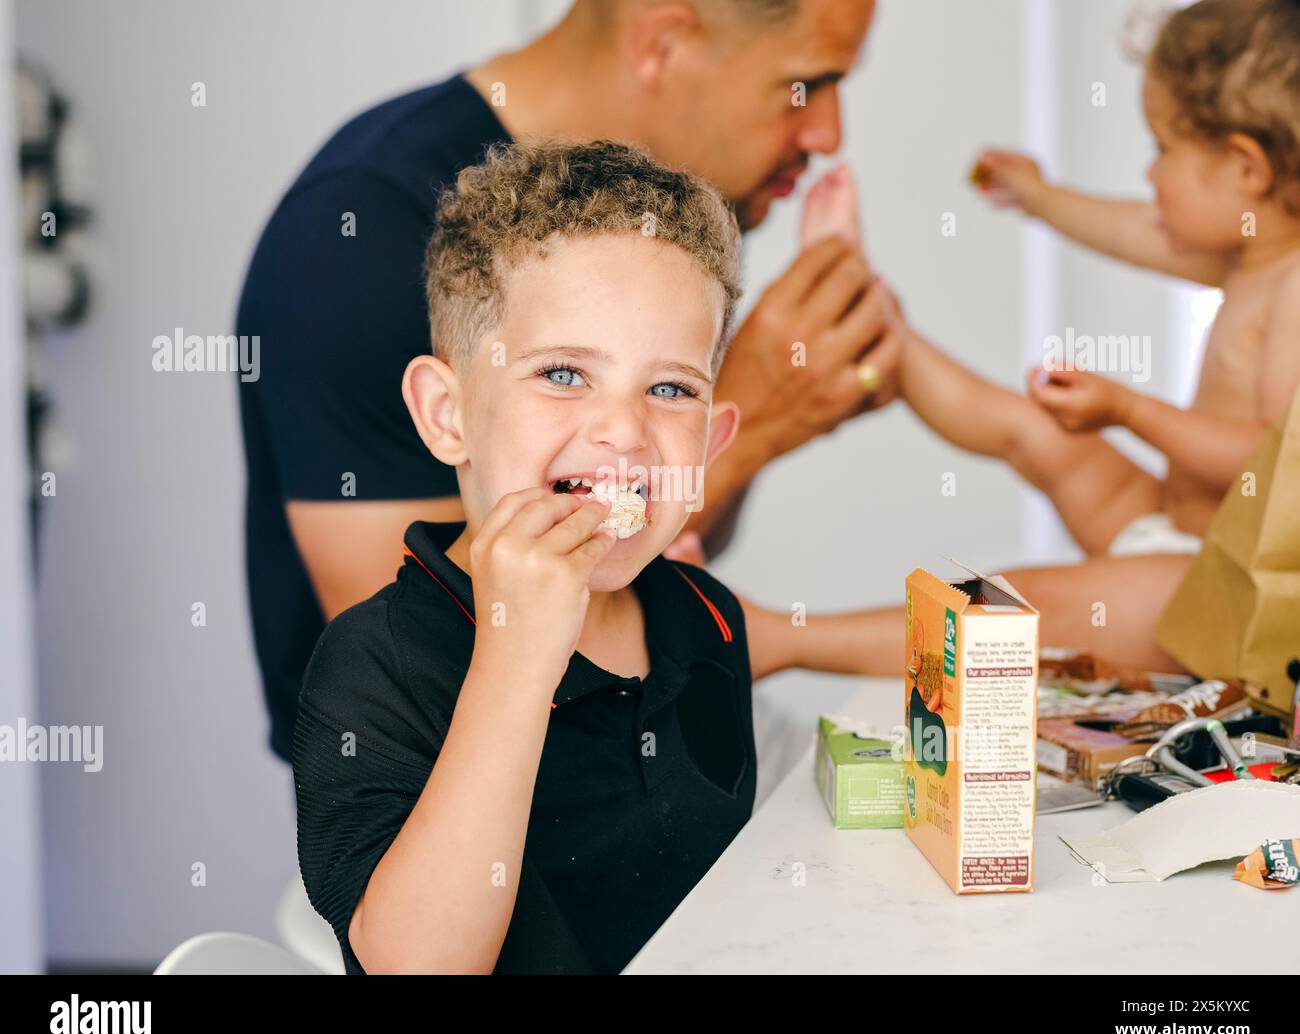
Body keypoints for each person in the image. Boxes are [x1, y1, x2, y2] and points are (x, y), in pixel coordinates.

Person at [237, 0, 894, 763]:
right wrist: (758, 418)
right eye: (805, 84)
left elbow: (648, 555)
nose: (828, 134)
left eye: (672, 390)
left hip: (643, 736)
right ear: (664, 41)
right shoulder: (359, 233)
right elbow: (425, 671)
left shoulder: (661, 244)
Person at [294, 140, 789, 974]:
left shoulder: (705, 621)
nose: (625, 430)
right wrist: (519, 651)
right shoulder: (376, 666)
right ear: (447, 415)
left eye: (671, 389)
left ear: (711, 443)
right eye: (564, 373)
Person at [738, 0, 1300, 674]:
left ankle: (782, 640)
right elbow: (1132, 228)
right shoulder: (1246, 253)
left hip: (1220, 594)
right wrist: (1040, 197)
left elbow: (1268, 468)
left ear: (1246, 168)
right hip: (1164, 528)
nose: (1150, 176)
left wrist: (1129, 411)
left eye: (1163, 149)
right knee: (1032, 430)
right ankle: (873, 323)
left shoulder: (1292, 285)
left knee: (1031, 604)